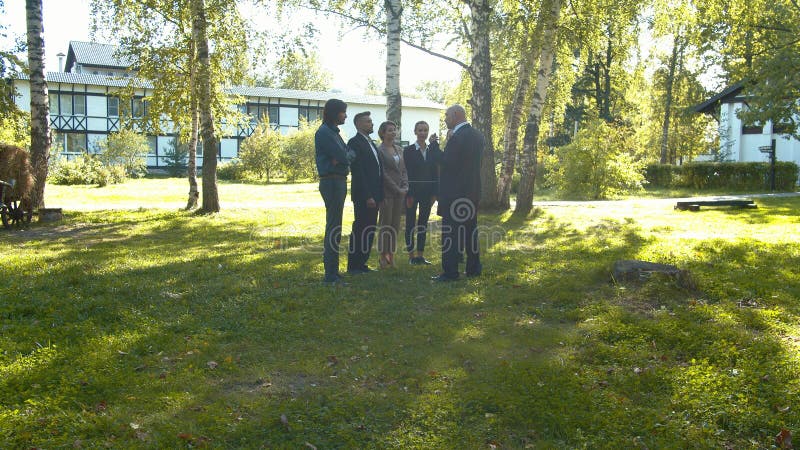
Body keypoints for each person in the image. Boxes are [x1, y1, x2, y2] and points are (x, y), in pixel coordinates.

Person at [433, 104, 483, 282]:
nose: (445, 119)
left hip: (454, 193)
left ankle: (450, 272)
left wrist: (434, 148)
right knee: (470, 232)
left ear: (455, 115)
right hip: (472, 191)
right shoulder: (478, 135)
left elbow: (448, 163)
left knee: (451, 234)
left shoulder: (457, 137)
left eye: (447, 115)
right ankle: (474, 268)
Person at [314, 99, 354, 283]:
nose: (345, 115)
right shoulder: (324, 133)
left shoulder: (334, 133)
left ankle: (333, 271)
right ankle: (330, 274)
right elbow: (343, 156)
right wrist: (342, 158)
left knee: (336, 227)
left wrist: (343, 158)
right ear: (334, 112)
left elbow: (349, 155)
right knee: (333, 227)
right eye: (343, 112)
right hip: (331, 182)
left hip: (337, 181)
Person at [347, 111, 384, 274]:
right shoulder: (354, 142)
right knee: (360, 229)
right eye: (368, 122)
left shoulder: (371, 143)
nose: (372, 124)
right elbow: (359, 172)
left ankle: (362, 263)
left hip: (375, 195)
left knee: (369, 229)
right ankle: (354, 265)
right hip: (364, 195)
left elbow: (377, 170)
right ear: (359, 124)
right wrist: (368, 195)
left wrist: (379, 195)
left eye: (371, 121)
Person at [403, 121, 441, 265]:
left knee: (423, 224)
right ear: (415, 132)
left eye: (425, 130)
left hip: (428, 193)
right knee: (410, 224)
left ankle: (420, 255)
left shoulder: (432, 150)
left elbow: (435, 173)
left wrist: (435, 194)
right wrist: (408, 194)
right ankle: (411, 256)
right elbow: (405, 173)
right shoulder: (408, 151)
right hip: (412, 193)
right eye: (420, 130)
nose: (423, 133)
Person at [376, 120, 408, 268]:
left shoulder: (400, 149)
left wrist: (405, 185)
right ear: (383, 133)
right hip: (387, 192)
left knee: (395, 226)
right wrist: (396, 188)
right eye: (390, 130)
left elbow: (403, 170)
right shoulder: (379, 150)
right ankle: (382, 256)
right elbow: (383, 174)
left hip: (400, 193)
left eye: (394, 130)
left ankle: (391, 256)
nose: (393, 133)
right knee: (385, 225)